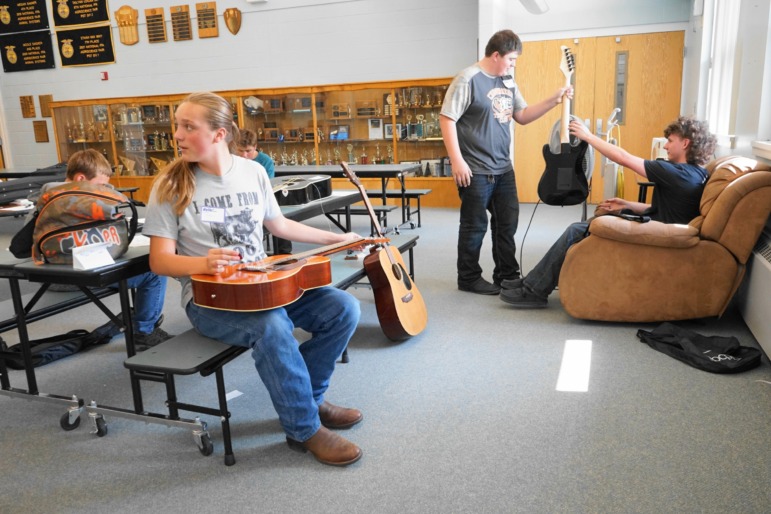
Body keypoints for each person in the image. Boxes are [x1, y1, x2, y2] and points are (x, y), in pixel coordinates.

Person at [141, 92, 364, 467]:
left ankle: (308, 399)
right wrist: (203, 264)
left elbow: (278, 224)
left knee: (343, 308)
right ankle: (303, 429)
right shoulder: (169, 185)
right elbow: (159, 261)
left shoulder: (254, 171)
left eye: (188, 126)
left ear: (220, 134)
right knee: (272, 328)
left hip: (265, 284)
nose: (176, 135)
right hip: (210, 300)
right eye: (177, 125)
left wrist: (336, 238)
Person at [499, 116, 718, 308]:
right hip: (662, 228)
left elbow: (624, 158)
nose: (666, 146)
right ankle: (533, 282)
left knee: (577, 229)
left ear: (686, 143)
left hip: (660, 236)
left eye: (670, 141)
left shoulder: (678, 173)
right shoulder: (694, 174)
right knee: (590, 223)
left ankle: (534, 291)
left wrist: (588, 137)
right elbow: (668, 210)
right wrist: (628, 205)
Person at [440, 29, 573, 295]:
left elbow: (522, 115)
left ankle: (506, 275)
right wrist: (457, 161)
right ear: (496, 55)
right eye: (511, 59)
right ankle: (468, 278)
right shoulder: (468, 79)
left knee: (506, 225)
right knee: (474, 226)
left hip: (503, 169)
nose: (513, 64)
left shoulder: (508, 80)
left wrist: (553, 99)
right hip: (474, 170)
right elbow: (447, 119)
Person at [30, 149, 172, 350]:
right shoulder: (80, 198)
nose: (104, 191)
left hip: (52, 272)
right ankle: (144, 331)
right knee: (154, 273)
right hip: (82, 275)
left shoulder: (47, 196)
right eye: (101, 186)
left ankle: (141, 319)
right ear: (80, 178)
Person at [236, 129, 292, 255]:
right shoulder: (233, 159)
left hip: (260, 199)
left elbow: (267, 187)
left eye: (248, 151)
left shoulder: (265, 161)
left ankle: (284, 253)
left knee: (279, 215)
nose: (244, 155)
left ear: (255, 147)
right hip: (239, 201)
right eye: (240, 151)